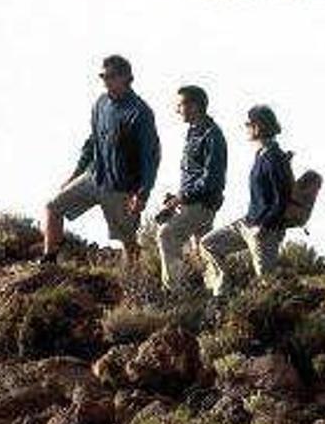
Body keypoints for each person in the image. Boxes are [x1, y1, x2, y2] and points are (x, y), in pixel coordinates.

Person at [42, 55, 161, 266]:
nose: (106, 80)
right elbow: (92, 141)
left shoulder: (140, 112)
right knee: (53, 207)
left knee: (127, 240)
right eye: (103, 76)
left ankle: (133, 281)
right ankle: (49, 259)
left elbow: (150, 157)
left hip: (121, 188)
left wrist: (142, 194)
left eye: (111, 76)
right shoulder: (101, 103)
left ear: (126, 78)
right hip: (94, 176)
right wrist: (75, 174)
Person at [199, 104, 292, 297]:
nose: (246, 127)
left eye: (248, 124)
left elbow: (282, 200)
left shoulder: (274, 157)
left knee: (266, 283)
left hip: (264, 230)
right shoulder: (262, 154)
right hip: (248, 223)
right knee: (208, 243)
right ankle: (222, 289)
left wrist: (264, 226)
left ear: (258, 126)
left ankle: (274, 317)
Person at [156, 85, 227, 290]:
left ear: (194, 106)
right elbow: (195, 174)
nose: (177, 110)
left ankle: (176, 293)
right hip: (193, 201)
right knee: (202, 250)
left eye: (180, 105)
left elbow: (211, 179)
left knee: (167, 234)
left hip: (201, 203)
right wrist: (176, 199)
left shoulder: (212, 135)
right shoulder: (195, 132)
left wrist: (180, 197)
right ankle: (214, 296)